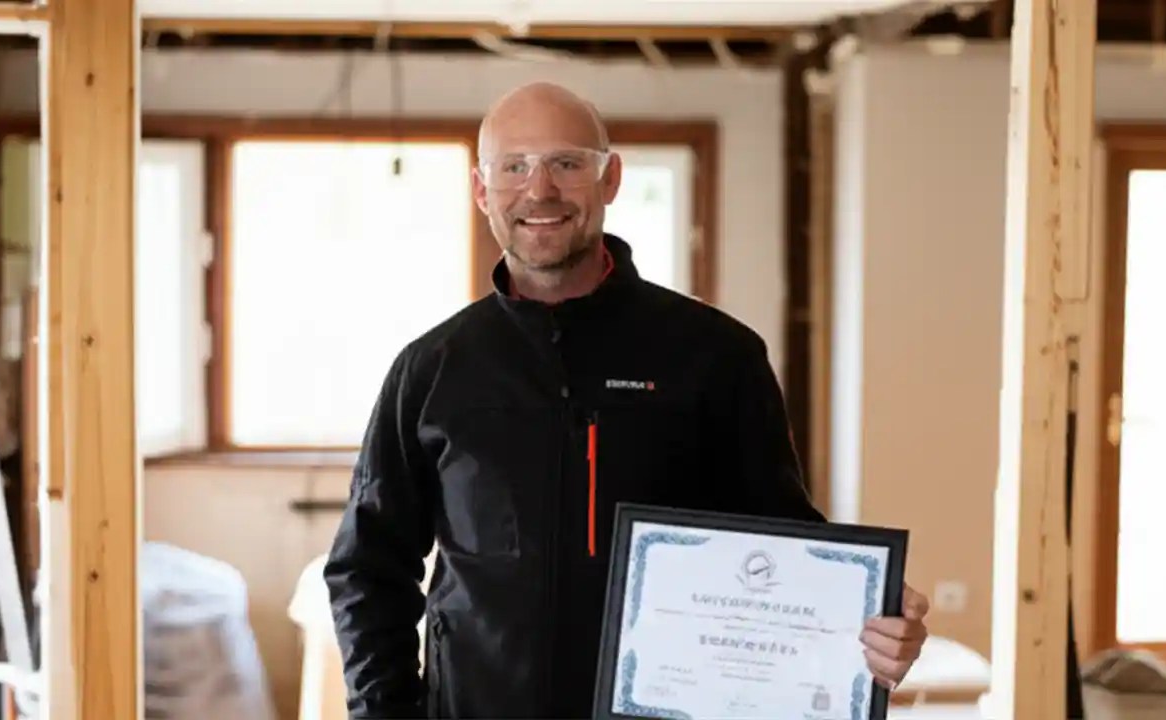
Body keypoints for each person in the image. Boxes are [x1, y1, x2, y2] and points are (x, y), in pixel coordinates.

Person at [324, 81, 930, 719]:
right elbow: (367, 570)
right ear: (482, 189)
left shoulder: (715, 356)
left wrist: (865, 621)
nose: (539, 191)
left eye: (566, 163)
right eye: (514, 167)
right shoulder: (432, 370)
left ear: (609, 178)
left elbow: (780, 546)